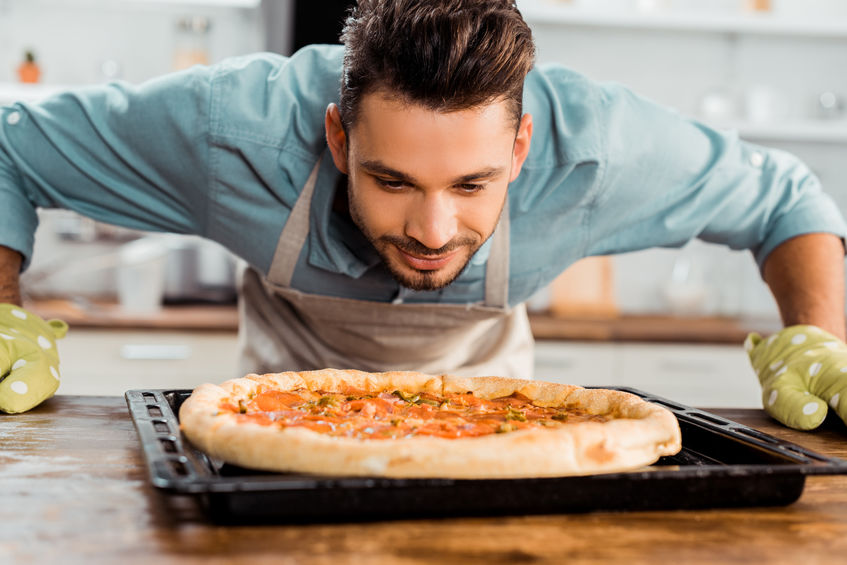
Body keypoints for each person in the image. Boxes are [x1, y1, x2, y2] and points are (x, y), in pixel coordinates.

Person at [0, 0, 845, 431]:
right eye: (393, 181)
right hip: (268, 431)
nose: (433, 232)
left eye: (472, 185)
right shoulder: (231, 132)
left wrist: (816, 341)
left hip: (498, 433)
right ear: (337, 137)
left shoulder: (601, 154)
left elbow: (784, 197)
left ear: (520, 150)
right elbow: (12, 149)